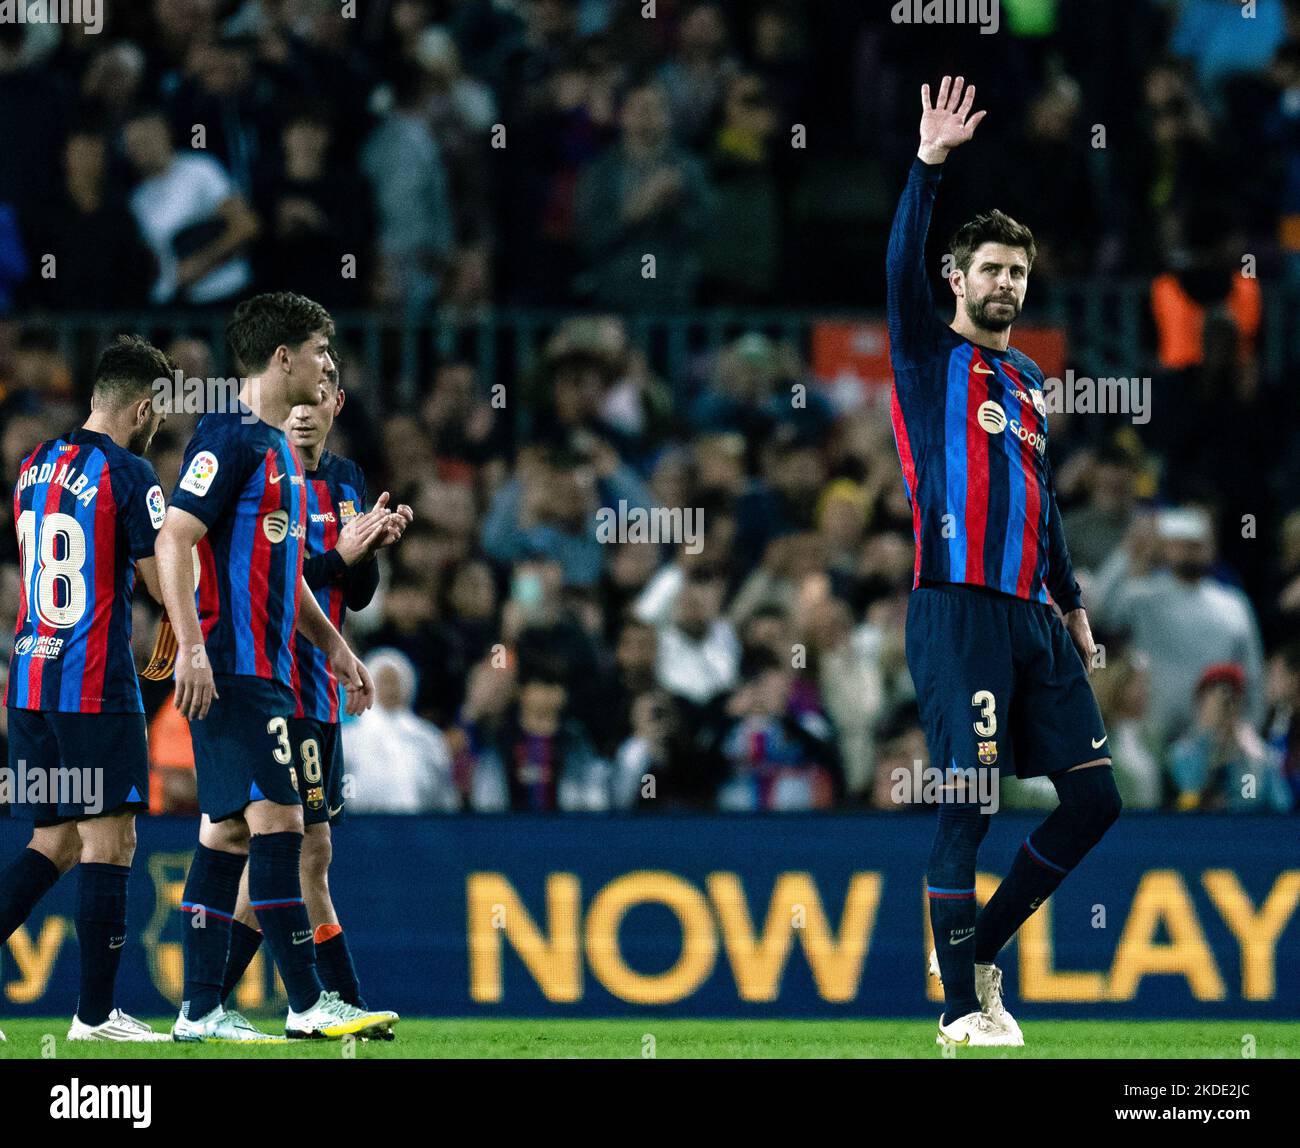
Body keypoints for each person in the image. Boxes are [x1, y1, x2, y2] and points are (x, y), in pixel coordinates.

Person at [887, 77, 1120, 1048]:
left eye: (1016, 272)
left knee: (1096, 798)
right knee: (968, 801)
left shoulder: (1024, 379)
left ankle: (977, 950)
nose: (1004, 285)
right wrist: (928, 164)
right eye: (988, 268)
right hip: (958, 606)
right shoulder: (922, 353)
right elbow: (900, 256)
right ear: (955, 277)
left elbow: (1042, 499)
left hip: (1031, 611)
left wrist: (1070, 603)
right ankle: (955, 1012)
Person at [156, 292, 396, 1042]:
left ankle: (199, 1010)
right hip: (232, 667)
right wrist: (192, 647)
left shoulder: (275, 456)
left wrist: (334, 646)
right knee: (283, 826)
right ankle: (306, 1003)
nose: (328, 366)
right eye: (320, 351)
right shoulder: (227, 441)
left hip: (271, 672)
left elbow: (283, 572)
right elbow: (173, 538)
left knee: (225, 836)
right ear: (283, 358)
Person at [218, 362, 413, 1022]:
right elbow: (272, 580)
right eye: (295, 400)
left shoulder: (348, 480)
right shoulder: (268, 477)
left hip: (322, 686)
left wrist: (372, 546)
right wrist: (342, 556)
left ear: (335, 403)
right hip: (275, 678)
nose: (304, 411)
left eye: (318, 399)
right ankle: (335, 999)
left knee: (301, 850)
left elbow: (354, 592)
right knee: (302, 848)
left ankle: (209, 1002)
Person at [0, 336, 174, 1042]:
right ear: (141, 407)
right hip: (94, 683)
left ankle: (94, 1014)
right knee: (112, 840)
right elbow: (164, 584)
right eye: (158, 410)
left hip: (31, 679)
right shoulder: (130, 473)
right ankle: (95, 1018)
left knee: (57, 840)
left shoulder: (33, 466)